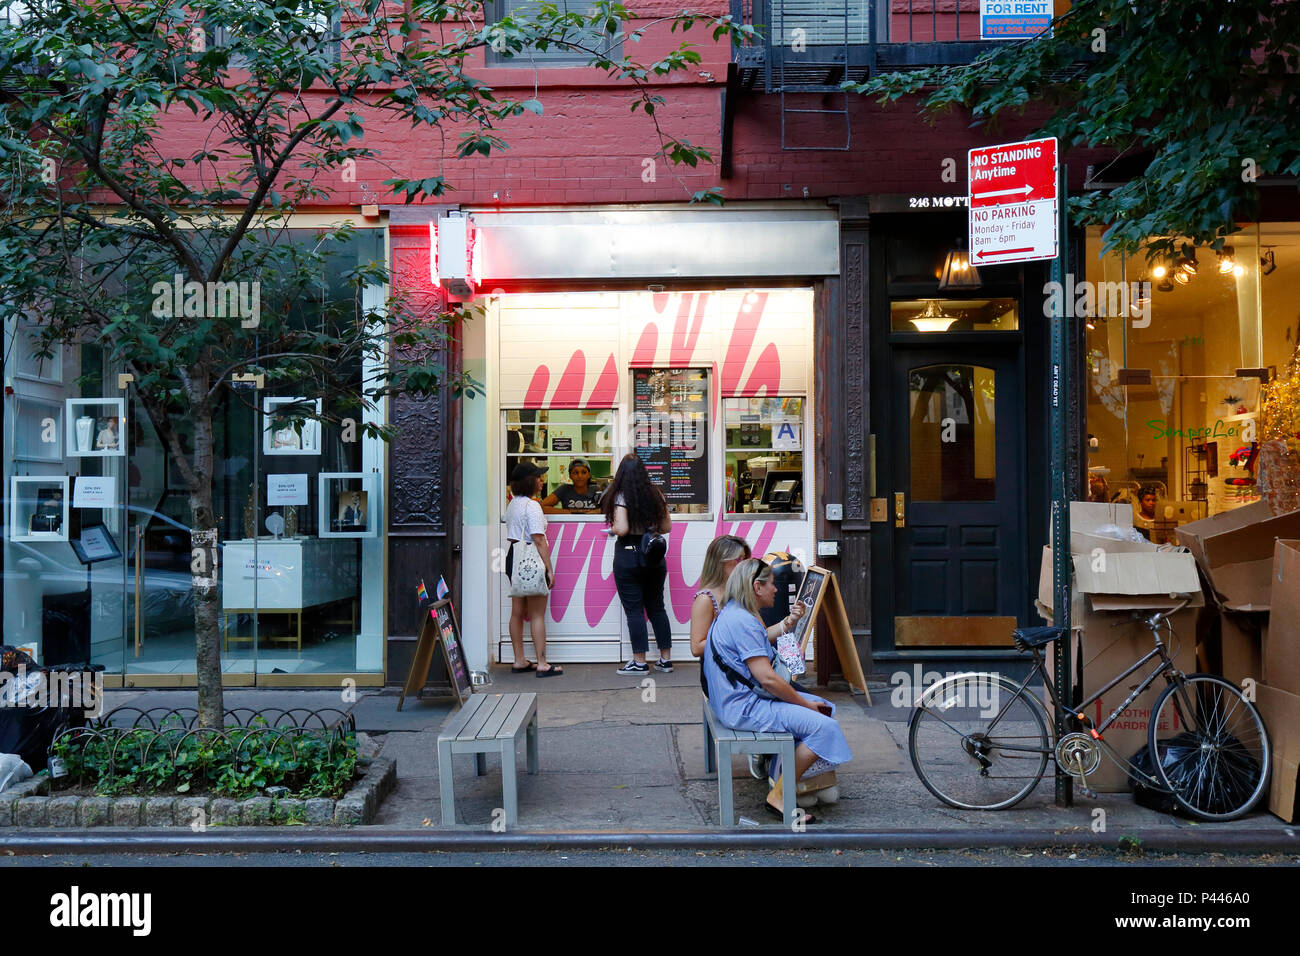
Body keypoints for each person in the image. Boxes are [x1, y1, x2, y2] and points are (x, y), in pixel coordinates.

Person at [702, 558, 852, 823]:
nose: (776, 589)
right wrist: (804, 706)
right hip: (744, 708)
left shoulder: (735, 612)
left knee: (826, 708)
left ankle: (782, 773)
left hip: (733, 701)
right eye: (771, 584)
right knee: (824, 726)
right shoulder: (745, 621)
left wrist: (787, 623)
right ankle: (779, 794)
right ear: (757, 587)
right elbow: (768, 680)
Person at [691, 534, 806, 780]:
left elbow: (761, 637)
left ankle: (788, 763)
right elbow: (696, 646)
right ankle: (781, 767)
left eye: (745, 558)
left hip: (752, 672)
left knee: (797, 693)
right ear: (721, 563)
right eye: (738, 560)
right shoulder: (706, 599)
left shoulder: (744, 596)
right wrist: (728, 640)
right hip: (725, 678)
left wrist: (789, 621)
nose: (743, 564)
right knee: (792, 698)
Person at [602, 453, 673, 675]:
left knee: (634, 610)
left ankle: (639, 662)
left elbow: (621, 529)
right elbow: (667, 527)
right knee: (657, 607)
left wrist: (612, 528)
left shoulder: (621, 496)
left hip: (628, 554)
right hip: (652, 555)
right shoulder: (656, 494)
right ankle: (665, 659)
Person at [504, 463, 563, 677]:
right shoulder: (533, 506)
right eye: (538, 477)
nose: (542, 480)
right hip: (531, 558)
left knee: (517, 612)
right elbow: (538, 539)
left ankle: (519, 659)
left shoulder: (513, 505)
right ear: (529, 480)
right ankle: (542, 663)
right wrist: (549, 568)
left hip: (513, 557)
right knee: (537, 613)